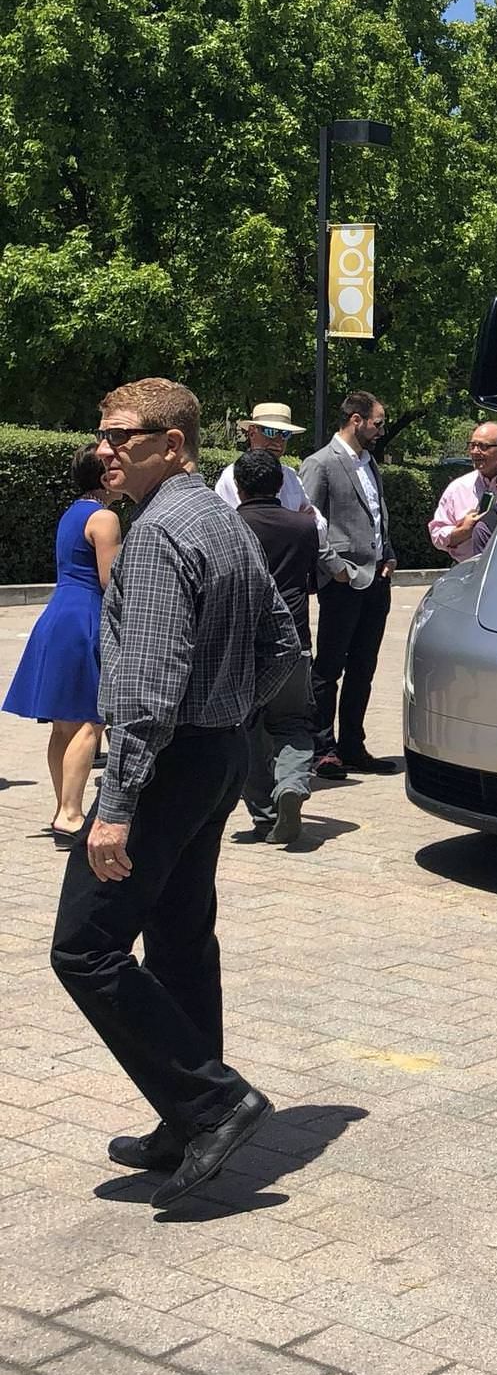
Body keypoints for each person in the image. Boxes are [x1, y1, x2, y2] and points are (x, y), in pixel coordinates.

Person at [49, 379, 297, 1201]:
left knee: (85, 946)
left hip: (163, 765)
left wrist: (112, 807)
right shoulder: (219, 521)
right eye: (103, 434)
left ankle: (214, 1101)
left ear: (175, 444)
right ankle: (189, 1113)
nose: (106, 448)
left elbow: (148, 690)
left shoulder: (157, 536)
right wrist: (231, 715)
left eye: (124, 436)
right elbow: (285, 644)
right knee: (181, 935)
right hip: (215, 755)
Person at [4, 448, 122, 843]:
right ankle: (71, 813)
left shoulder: (73, 512)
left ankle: (62, 807)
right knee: (91, 718)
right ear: (104, 478)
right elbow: (110, 581)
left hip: (59, 614)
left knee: (63, 723)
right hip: (86, 617)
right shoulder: (104, 517)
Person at [232, 449, 330, 846]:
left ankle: (265, 814)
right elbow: (311, 580)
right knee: (292, 723)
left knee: (245, 729)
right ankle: (290, 784)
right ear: (279, 484)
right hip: (293, 639)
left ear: (238, 487)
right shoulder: (304, 528)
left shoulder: (228, 525)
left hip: (241, 644)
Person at [300, 391, 396, 778]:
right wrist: (333, 568)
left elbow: (375, 515)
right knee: (329, 668)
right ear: (355, 420)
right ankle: (322, 749)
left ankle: (352, 744)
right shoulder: (321, 463)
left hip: (377, 579)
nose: (381, 429)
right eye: (377, 422)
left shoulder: (370, 463)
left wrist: (389, 553)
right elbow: (310, 521)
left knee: (364, 667)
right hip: (342, 581)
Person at [213, 403, 315, 518]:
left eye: (285, 434)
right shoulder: (232, 476)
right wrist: (299, 519)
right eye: (271, 432)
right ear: (252, 433)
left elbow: (319, 523)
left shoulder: (291, 476)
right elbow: (241, 524)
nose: (278, 441)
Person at [429, 423, 497, 561]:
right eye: (472, 445)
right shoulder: (457, 488)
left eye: (483, 446)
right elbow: (437, 535)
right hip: (468, 572)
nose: (475, 451)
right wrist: (463, 531)